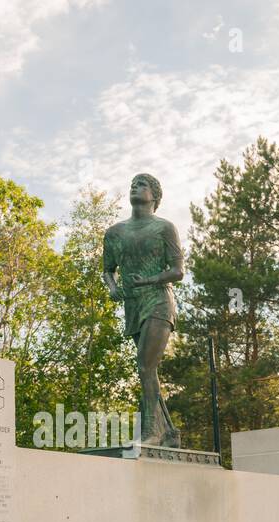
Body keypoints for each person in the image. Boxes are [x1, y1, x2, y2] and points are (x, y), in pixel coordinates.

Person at [102, 172, 184, 448]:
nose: (135, 187)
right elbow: (107, 270)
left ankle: (151, 431)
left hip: (159, 300)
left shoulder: (165, 228)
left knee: (145, 365)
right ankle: (169, 432)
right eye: (133, 184)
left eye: (142, 184)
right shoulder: (115, 233)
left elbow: (177, 271)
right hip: (133, 305)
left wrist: (149, 280)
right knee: (147, 369)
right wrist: (113, 288)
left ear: (155, 196)